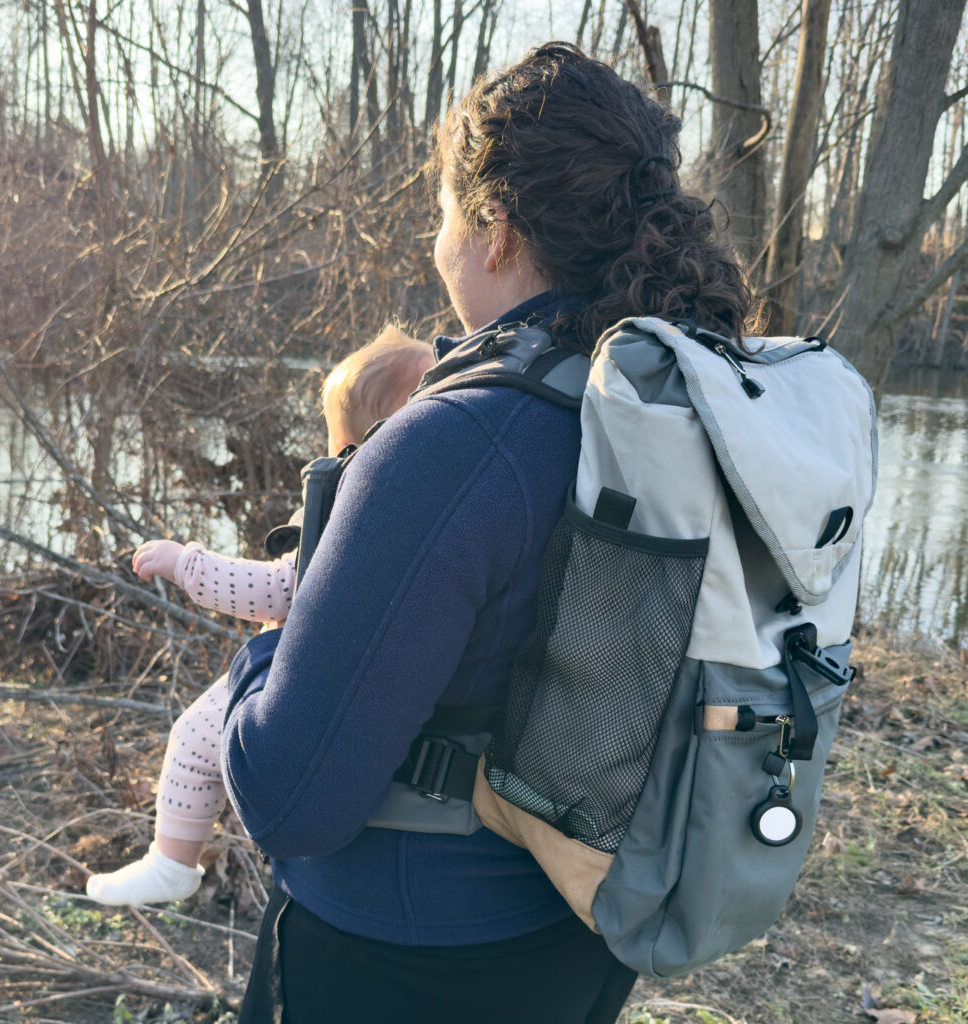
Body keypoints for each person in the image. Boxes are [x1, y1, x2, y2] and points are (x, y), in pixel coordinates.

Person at [221, 42, 753, 1023]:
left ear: (496, 229)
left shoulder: (454, 445)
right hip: (588, 924)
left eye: (440, 213)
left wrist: (258, 657)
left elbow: (289, 798)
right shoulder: (682, 410)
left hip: (399, 959)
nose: (437, 240)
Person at [82, 327, 434, 906]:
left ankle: (172, 860)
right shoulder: (425, 498)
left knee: (196, 736)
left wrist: (185, 563)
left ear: (356, 441)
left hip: (307, 671)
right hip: (364, 677)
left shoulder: (354, 501)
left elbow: (278, 589)